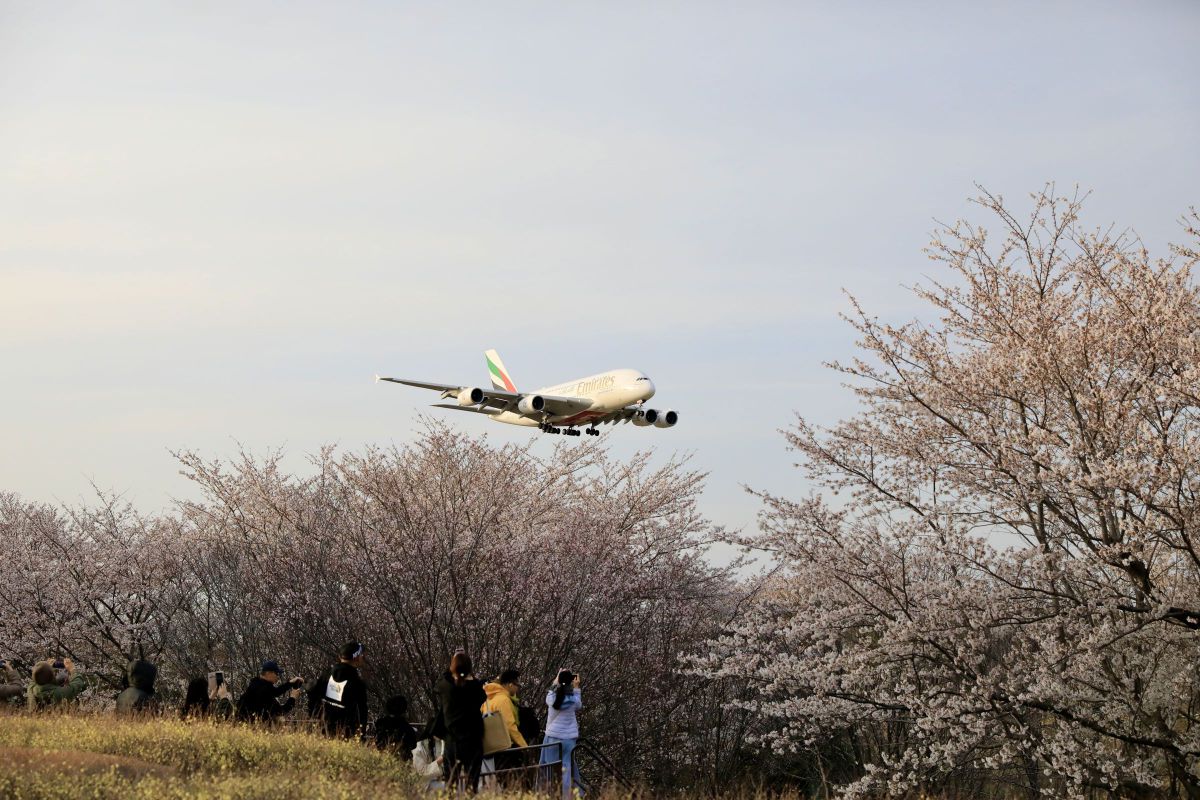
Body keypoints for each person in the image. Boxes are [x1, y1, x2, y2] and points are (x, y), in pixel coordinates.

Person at [435, 651, 487, 793]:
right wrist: (469, 675)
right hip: (473, 741)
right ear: (469, 668)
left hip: (452, 741)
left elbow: (439, 684)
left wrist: (452, 670)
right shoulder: (476, 688)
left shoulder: (445, 687)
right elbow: (482, 696)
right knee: (472, 783)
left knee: (451, 783)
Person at [307, 641, 369, 738]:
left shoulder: (326, 674)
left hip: (323, 727)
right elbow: (362, 711)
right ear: (356, 657)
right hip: (347, 732)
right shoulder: (357, 682)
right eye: (362, 655)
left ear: (340, 657)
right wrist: (361, 734)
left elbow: (314, 696)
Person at [539, 669, 583, 798]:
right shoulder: (574, 700)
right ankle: (566, 796)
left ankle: (548, 794)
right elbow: (579, 704)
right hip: (569, 739)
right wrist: (576, 687)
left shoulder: (551, 698)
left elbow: (551, 691)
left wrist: (556, 680)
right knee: (567, 769)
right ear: (571, 681)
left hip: (552, 737)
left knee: (549, 768)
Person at [238, 660, 303, 725]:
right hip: (253, 728)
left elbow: (276, 692)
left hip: (243, 724)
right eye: (276, 673)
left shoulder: (256, 685)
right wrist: (293, 698)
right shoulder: (264, 691)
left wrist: (290, 683)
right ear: (268, 673)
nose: (278, 677)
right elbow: (281, 711)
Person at [375, 694, 417, 760]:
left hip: (382, 759)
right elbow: (413, 746)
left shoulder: (381, 724)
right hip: (401, 761)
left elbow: (378, 743)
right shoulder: (406, 728)